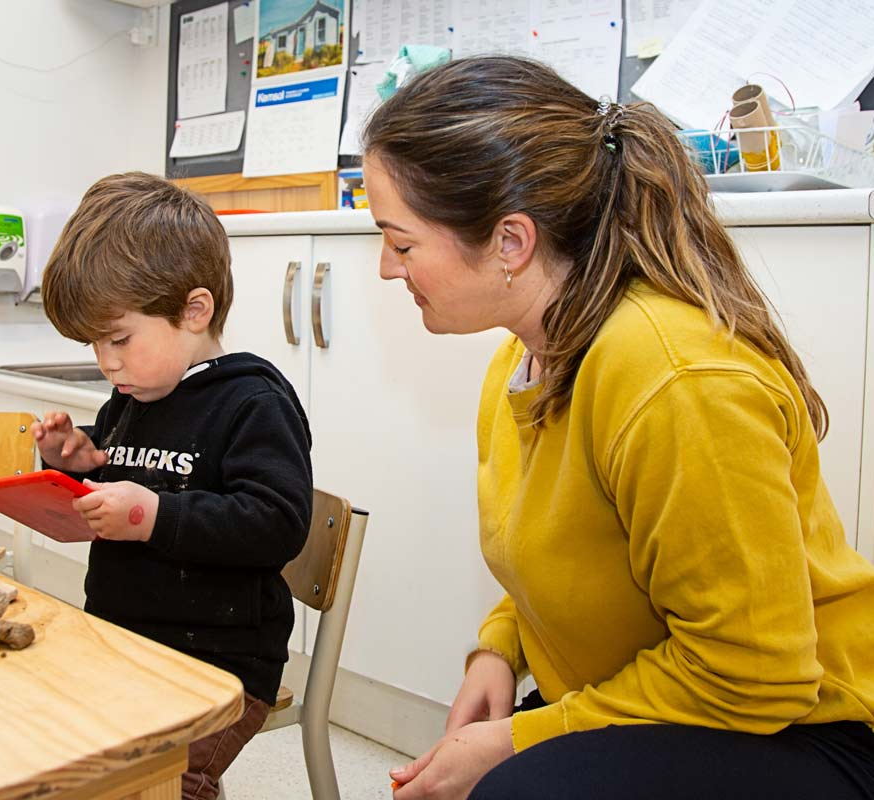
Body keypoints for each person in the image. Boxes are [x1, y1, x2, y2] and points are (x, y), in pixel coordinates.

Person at [362, 56, 874, 799]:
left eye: (402, 243)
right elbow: (571, 554)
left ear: (511, 242)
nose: (386, 268)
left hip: (800, 727)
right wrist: (498, 651)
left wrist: (521, 736)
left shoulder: (674, 379)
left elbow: (757, 674)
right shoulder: (525, 360)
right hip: (667, 695)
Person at [33, 172, 313, 800]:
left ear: (195, 310)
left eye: (119, 339)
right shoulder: (136, 391)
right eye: (94, 344)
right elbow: (120, 478)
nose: (106, 362)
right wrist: (77, 461)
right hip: (122, 641)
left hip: (219, 667)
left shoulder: (252, 401)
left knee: (159, 784)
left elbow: (276, 524)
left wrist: (153, 517)